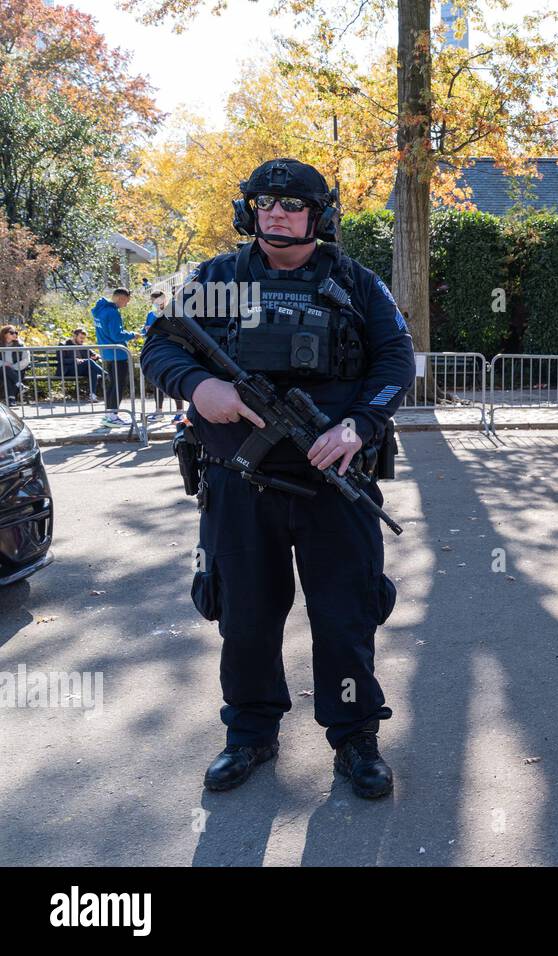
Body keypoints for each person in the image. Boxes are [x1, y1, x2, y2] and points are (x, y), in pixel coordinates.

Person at [140, 158, 415, 798]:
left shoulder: (356, 282)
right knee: (245, 615)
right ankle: (249, 733)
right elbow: (158, 345)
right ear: (249, 211)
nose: (278, 214)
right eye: (265, 203)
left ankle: (354, 737)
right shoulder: (214, 280)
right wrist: (199, 384)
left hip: (336, 478)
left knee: (347, 615)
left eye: (293, 204)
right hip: (240, 483)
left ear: (319, 214)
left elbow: (398, 359)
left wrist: (359, 426)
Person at [90, 288, 138, 425]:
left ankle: (109, 414)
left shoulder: (100, 310)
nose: (126, 305)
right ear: (121, 298)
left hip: (107, 353)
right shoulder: (112, 313)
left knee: (112, 385)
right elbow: (117, 335)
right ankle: (112, 416)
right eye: (127, 301)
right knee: (118, 385)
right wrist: (133, 335)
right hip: (118, 354)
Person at [142, 291, 184, 422]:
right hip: (155, 351)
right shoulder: (150, 314)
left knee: (174, 380)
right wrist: (145, 330)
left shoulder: (171, 312)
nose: (156, 304)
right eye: (154, 302)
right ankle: (159, 411)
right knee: (157, 382)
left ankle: (179, 412)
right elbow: (145, 331)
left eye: (159, 302)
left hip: (171, 351)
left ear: (164, 300)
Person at [58, 328, 104, 401]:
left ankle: (92, 395)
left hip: (80, 369)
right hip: (69, 370)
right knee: (89, 361)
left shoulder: (83, 346)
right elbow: (61, 360)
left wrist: (96, 356)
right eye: (81, 338)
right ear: (75, 336)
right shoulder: (64, 344)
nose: (82, 340)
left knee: (93, 370)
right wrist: (75, 360)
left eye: (84, 338)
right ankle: (105, 374)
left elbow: (94, 354)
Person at [1, 325, 31, 403]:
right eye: (12, 332)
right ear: (4, 334)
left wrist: (13, 367)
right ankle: (19, 386)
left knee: (7, 374)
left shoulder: (20, 345)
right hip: (1, 370)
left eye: (16, 332)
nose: (15, 334)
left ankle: (12, 400)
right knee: (5, 369)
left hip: (18, 370)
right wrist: (3, 363)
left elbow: (26, 359)